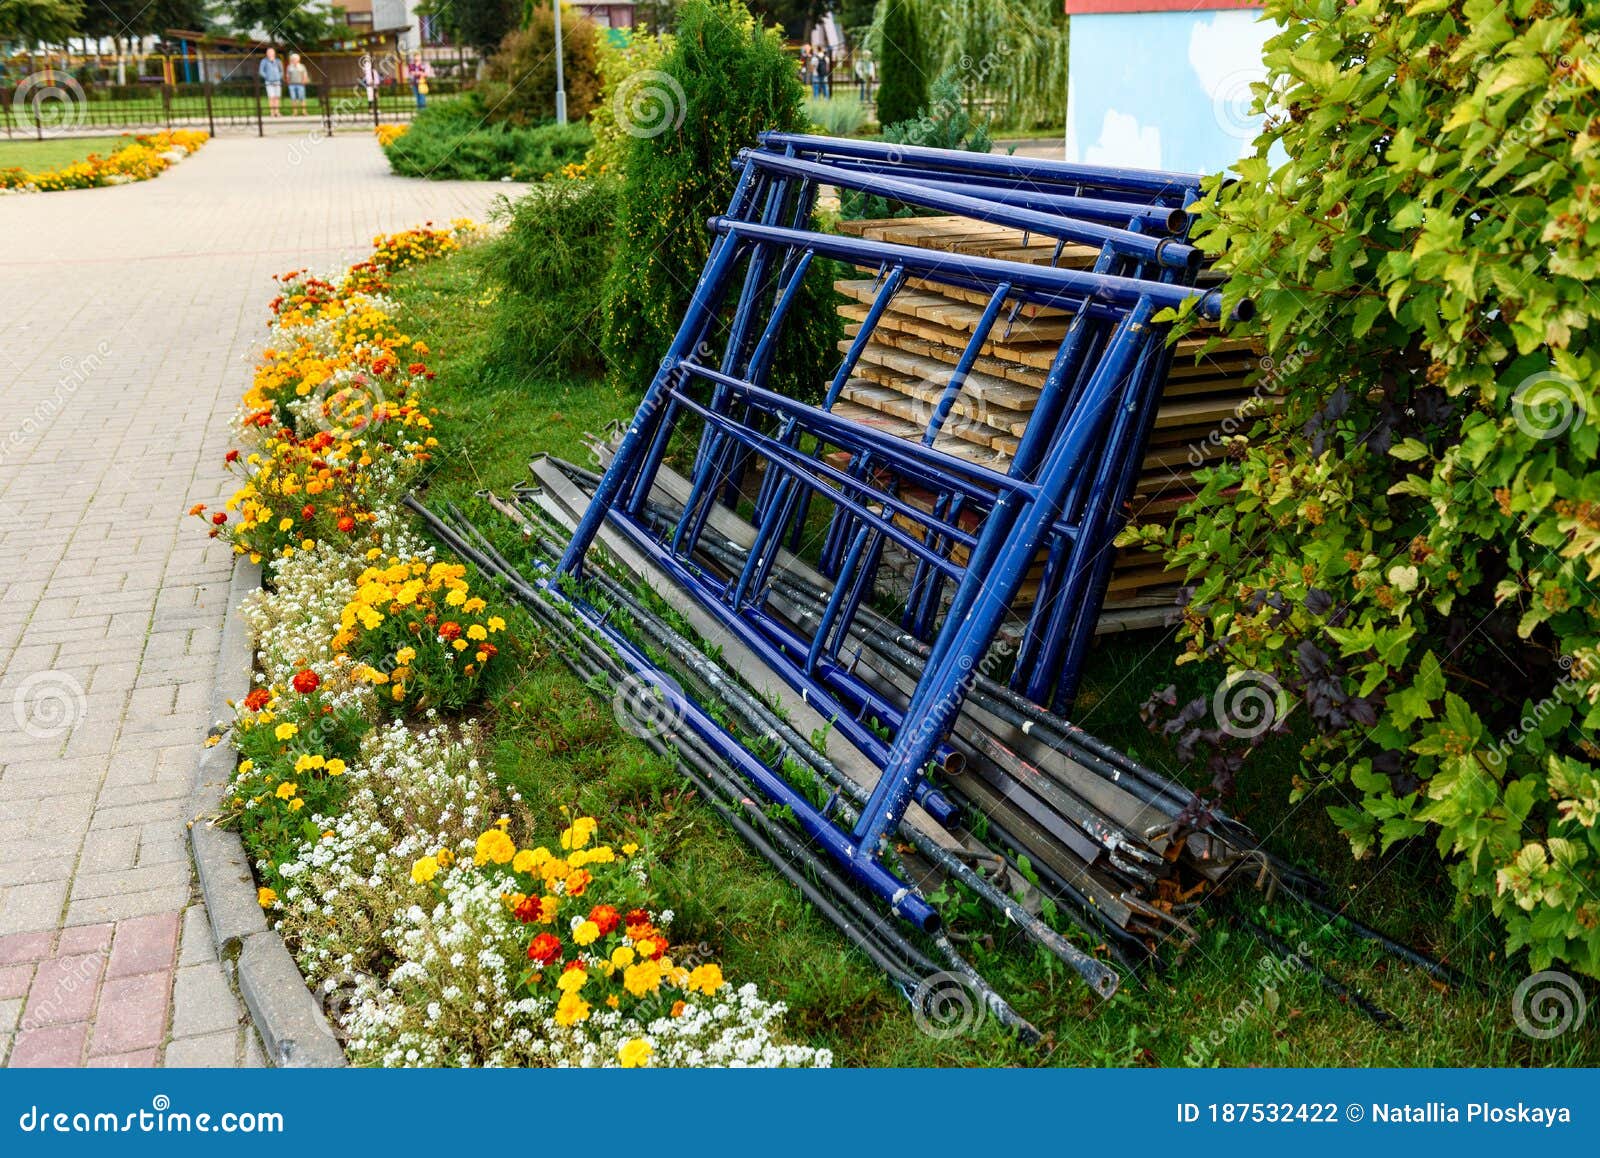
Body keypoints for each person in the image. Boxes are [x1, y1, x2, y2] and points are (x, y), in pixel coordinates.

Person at [258, 47, 283, 117]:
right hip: (268, 82)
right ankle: (272, 112)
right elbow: (261, 71)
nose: (270, 53)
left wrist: (279, 77)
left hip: (277, 81)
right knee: (271, 97)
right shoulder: (264, 61)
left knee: (277, 97)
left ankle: (277, 112)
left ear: (274, 53)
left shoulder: (278, 61)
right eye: (268, 52)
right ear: (266, 53)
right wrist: (267, 77)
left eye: (271, 52)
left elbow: (281, 71)